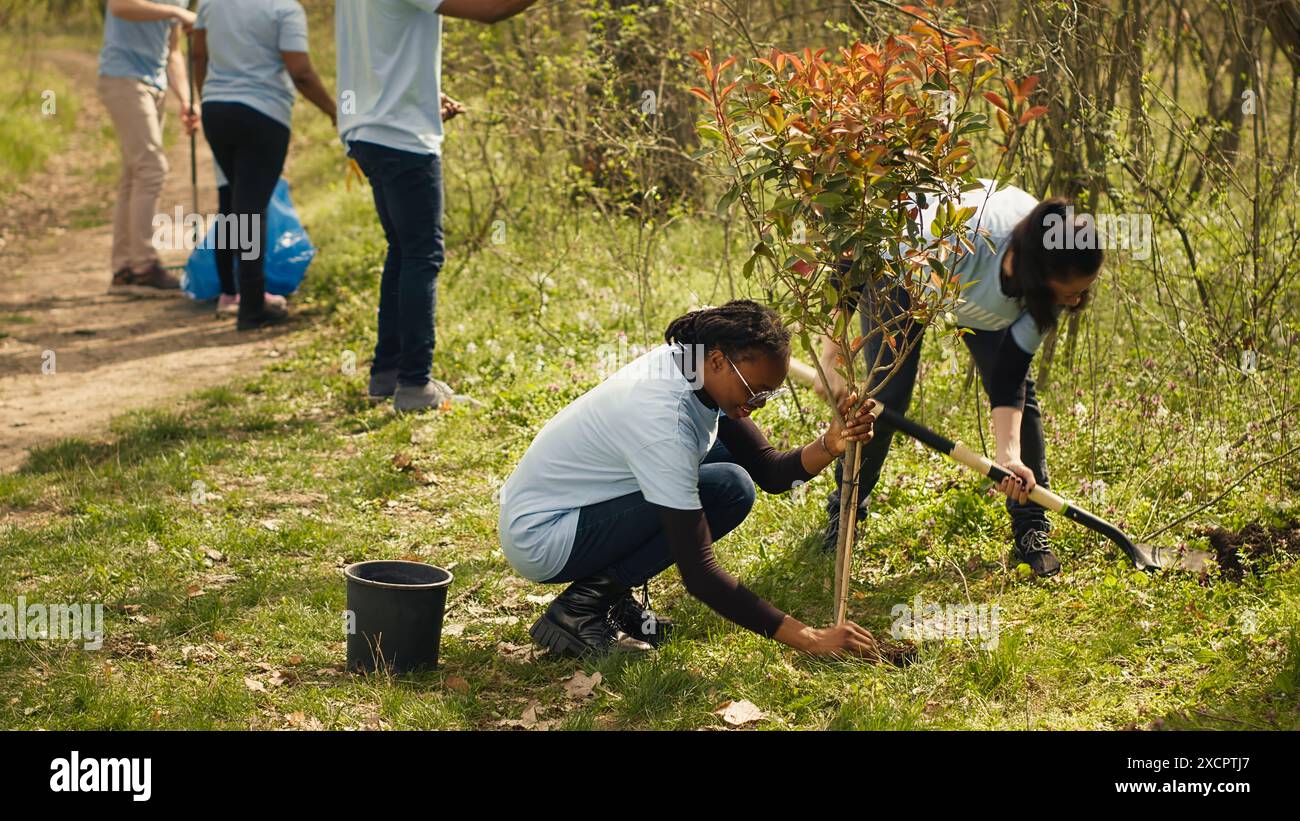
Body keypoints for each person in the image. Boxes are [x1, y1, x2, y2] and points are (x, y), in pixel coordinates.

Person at [498, 300, 884, 659]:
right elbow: (699, 573)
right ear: (718, 360)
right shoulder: (665, 420)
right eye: (754, 391)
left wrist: (831, 443)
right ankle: (580, 610)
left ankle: (606, 595)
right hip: (543, 535)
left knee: (732, 477)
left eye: (769, 394)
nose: (757, 404)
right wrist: (810, 638)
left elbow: (769, 470)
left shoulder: (694, 365)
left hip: (573, 505)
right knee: (728, 489)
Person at [819, 181, 1104, 577]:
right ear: (1039, 275)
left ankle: (1031, 524)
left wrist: (1009, 458)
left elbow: (1009, 378)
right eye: (1070, 293)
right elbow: (859, 259)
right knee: (888, 398)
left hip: (978, 304)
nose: (1076, 302)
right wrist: (830, 354)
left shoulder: (1046, 285)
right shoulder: (963, 237)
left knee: (1026, 401)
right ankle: (847, 508)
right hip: (906, 277)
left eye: (1082, 291)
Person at [336, 0, 537, 412]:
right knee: (422, 256)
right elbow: (492, 10)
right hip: (400, 136)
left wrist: (420, 94)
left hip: (369, 129)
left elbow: (381, 45)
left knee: (403, 251)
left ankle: (388, 374)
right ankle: (414, 385)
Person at [190, 0, 335, 330]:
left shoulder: (210, 3)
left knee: (234, 201)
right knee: (251, 207)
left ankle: (234, 293)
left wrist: (208, 97)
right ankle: (252, 305)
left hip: (217, 110)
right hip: (265, 113)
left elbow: (199, 55)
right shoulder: (285, 9)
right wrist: (333, 111)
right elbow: (301, 72)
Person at [98, 0, 198, 296]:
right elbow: (119, 6)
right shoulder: (175, 7)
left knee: (134, 174)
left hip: (155, 83)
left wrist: (186, 97)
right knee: (152, 169)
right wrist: (176, 12)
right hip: (123, 78)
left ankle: (125, 270)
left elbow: (173, 50)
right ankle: (144, 266)